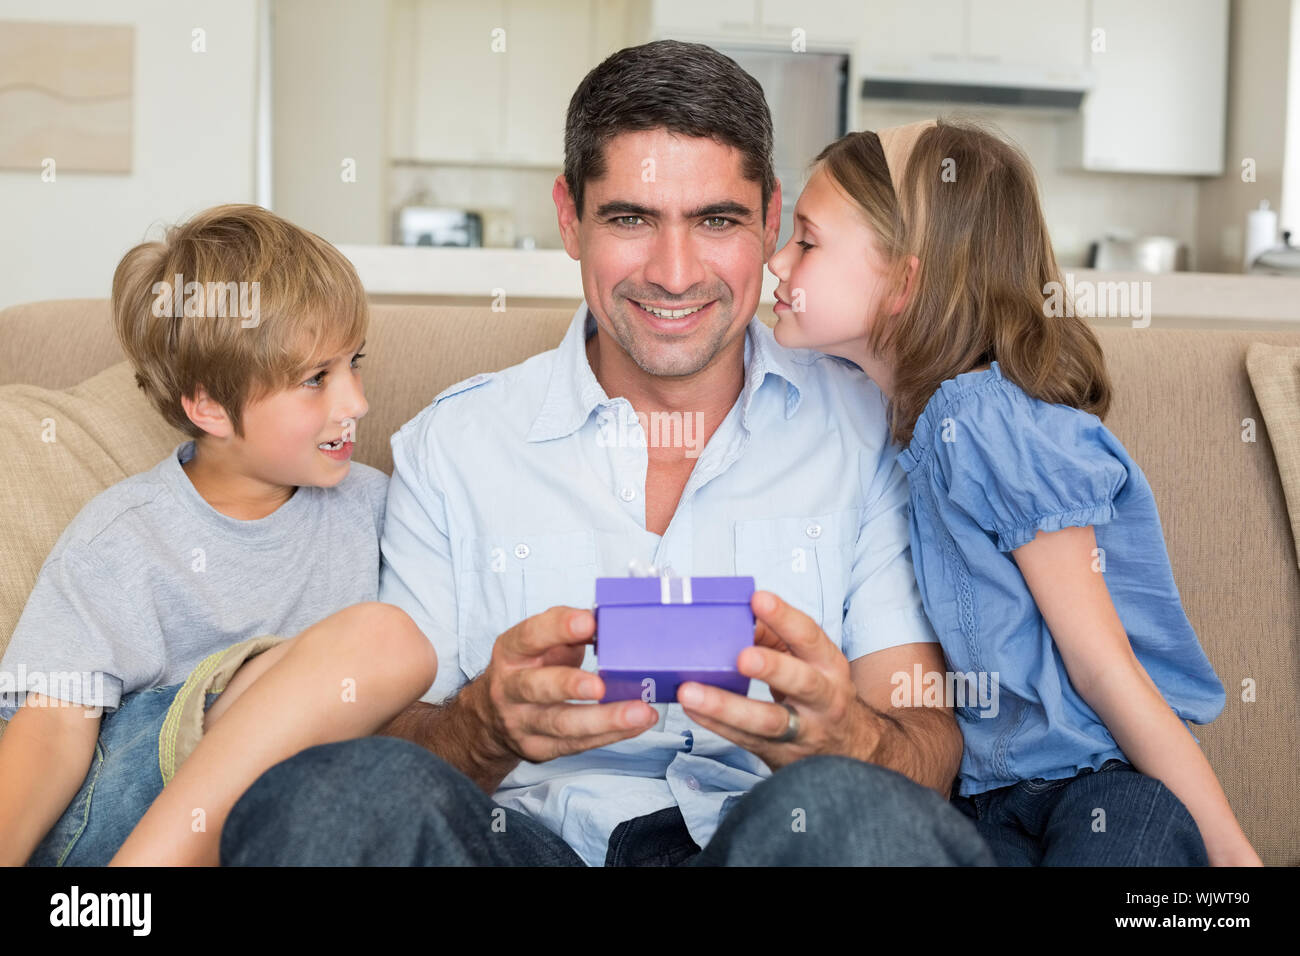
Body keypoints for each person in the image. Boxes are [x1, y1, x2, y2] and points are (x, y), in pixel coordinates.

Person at [218, 41, 995, 867]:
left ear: (771, 219)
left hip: (771, 838)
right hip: (527, 846)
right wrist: (481, 726)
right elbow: (401, 739)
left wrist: (852, 741)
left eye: (717, 221)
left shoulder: (865, 428)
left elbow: (927, 748)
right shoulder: (455, 446)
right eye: (630, 218)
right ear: (568, 218)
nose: (673, 273)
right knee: (336, 791)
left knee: (855, 810)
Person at [765, 118, 1261, 866]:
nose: (777, 262)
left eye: (806, 240)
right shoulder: (910, 420)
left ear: (906, 280)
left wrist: (1234, 862)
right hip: (991, 799)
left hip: (1102, 785)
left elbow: (1104, 666)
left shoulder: (988, 422)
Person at [0, 204, 437, 867]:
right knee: (384, 640)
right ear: (207, 406)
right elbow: (53, 728)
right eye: (316, 379)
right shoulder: (126, 535)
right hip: (118, 813)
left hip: (276, 826)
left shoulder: (379, 510)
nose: (355, 404)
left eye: (355, 363)